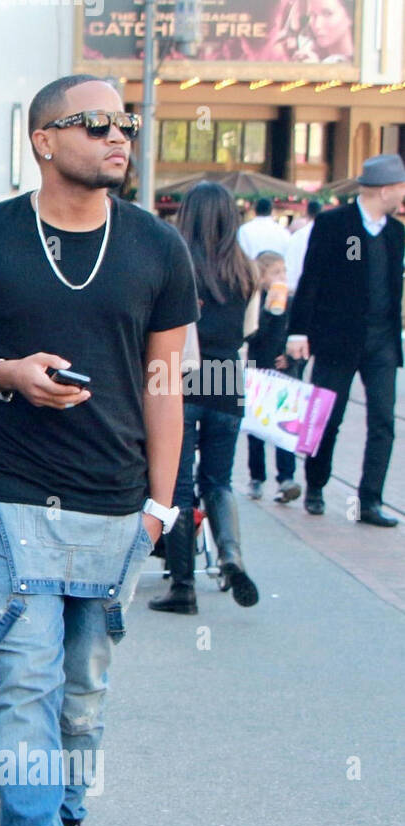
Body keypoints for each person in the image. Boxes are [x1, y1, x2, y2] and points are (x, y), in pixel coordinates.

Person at [0, 75, 198, 826]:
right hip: (9, 497)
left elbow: (163, 381)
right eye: (97, 124)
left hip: (117, 506)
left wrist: (161, 503)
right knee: (27, 683)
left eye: (126, 124)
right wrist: (5, 373)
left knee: (83, 698)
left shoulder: (157, 247)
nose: (119, 137)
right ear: (44, 139)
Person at [149, 182, 260, 614]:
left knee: (177, 486)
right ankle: (230, 555)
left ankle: (182, 587)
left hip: (181, 378)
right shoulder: (246, 270)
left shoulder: (176, 263)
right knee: (219, 481)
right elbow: (250, 329)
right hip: (227, 379)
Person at [287, 153, 405, 528]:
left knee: (383, 420)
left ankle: (370, 499)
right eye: (401, 188)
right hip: (338, 340)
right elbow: (312, 280)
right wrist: (298, 331)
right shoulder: (335, 224)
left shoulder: (395, 232)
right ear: (386, 189)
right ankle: (316, 486)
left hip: (382, 341)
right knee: (327, 417)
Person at [245, 250, 301, 504]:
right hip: (259, 370)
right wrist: (269, 312)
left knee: (285, 427)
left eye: (284, 272)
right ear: (263, 276)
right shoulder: (256, 302)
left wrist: (291, 358)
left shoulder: (292, 302)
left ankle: (286, 478)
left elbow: (300, 335)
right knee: (257, 428)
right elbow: (252, 337)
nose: (282, 277)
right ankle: (257, 477)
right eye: (276, 273)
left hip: (285, 373)